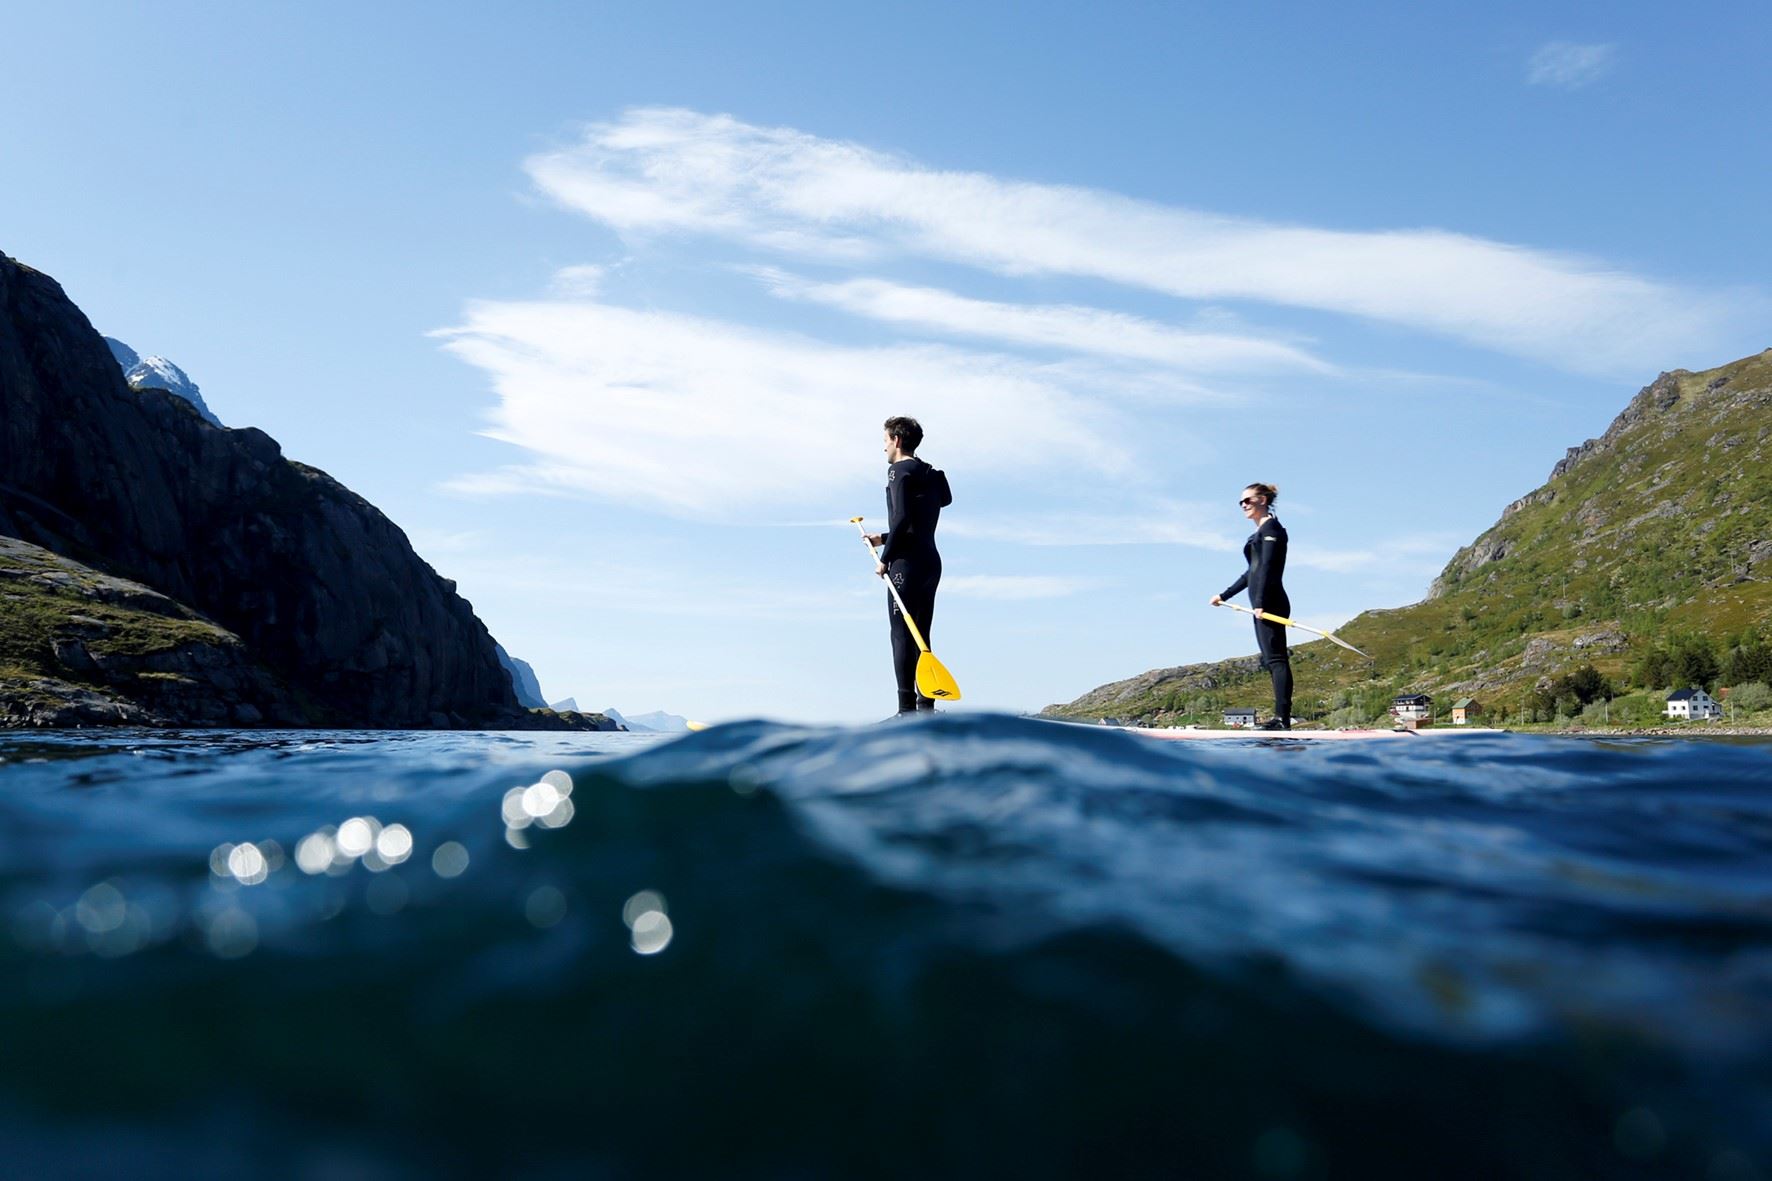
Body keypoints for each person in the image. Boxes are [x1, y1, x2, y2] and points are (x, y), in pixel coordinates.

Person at [862, 416, 952, 715]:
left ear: (897, 440)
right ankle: (926, 708)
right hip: (930, 562)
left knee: (901, 634)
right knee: (921, 634)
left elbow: (901, 518)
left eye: (885, 441)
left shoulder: (897, 470)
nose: (884, 448)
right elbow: (937, 505)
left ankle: (905, 711)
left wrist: (885, 557)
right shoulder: (931, 473)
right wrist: (884, 538)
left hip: (905, 565)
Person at [1210, 482, 1292, 730]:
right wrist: (1224, 595)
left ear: (1262, 500)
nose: (1243, 505)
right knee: (1270, 660)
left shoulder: (1273, 530)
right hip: (1261, 605)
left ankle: (1282, 719)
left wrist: (1260, 603)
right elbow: (1251, 572)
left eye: (1248, 500)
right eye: (1241, 502)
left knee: (1277, 660)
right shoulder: (1258, 533)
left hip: (1270, 602)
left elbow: (1268, 568)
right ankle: (1280, 718)